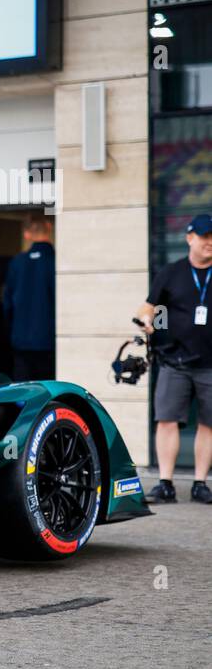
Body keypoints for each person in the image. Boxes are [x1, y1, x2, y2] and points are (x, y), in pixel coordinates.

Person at [136, 213, 212, 504]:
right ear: (190, 238)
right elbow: (148, 306)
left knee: (208, 423)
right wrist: (146, 320)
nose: (209, 243)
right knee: (166, 420)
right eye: (204, 237)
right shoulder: (171, 272)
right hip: (174, 361)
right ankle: (165, 483)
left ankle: (200, 484)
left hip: (210, 363)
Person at [3, 215, 56, 381]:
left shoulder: (16, 263)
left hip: (21, 340)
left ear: (26, 234)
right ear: (49, 226)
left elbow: (7, 304)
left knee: (24, 391)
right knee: (50, 392)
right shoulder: (57, 261)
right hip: (50, 341)